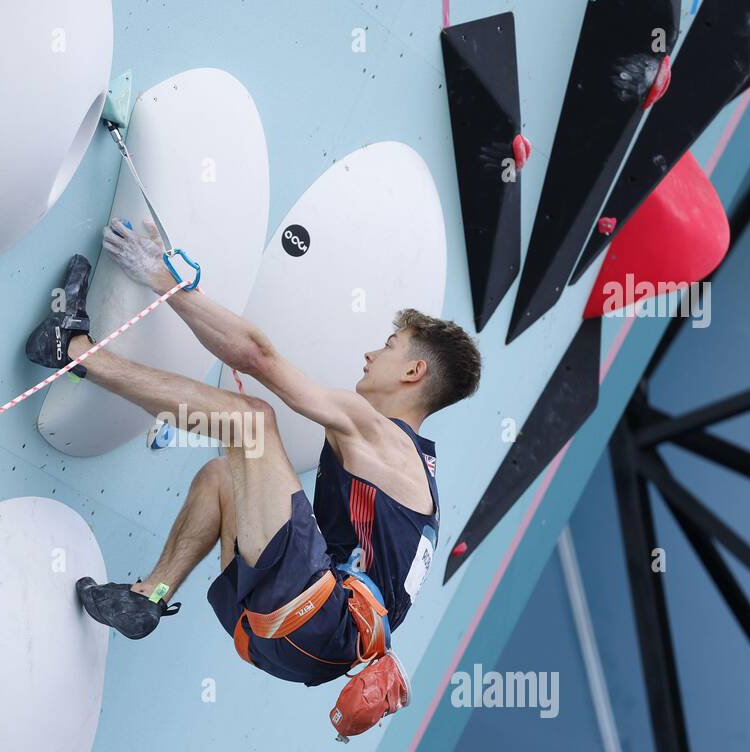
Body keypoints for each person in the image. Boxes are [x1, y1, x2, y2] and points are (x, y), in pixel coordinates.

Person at [26, 219, 481, 694]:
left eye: (388, 347)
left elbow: (258, 357)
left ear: (414, 370)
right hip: (300, 647)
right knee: (223, 479)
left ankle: (73, 348)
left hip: (317, 615)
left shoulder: (381, 435)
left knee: (252, 422)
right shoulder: (420, 478)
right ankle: (150, 596)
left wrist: (163, 279)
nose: (370, 355)